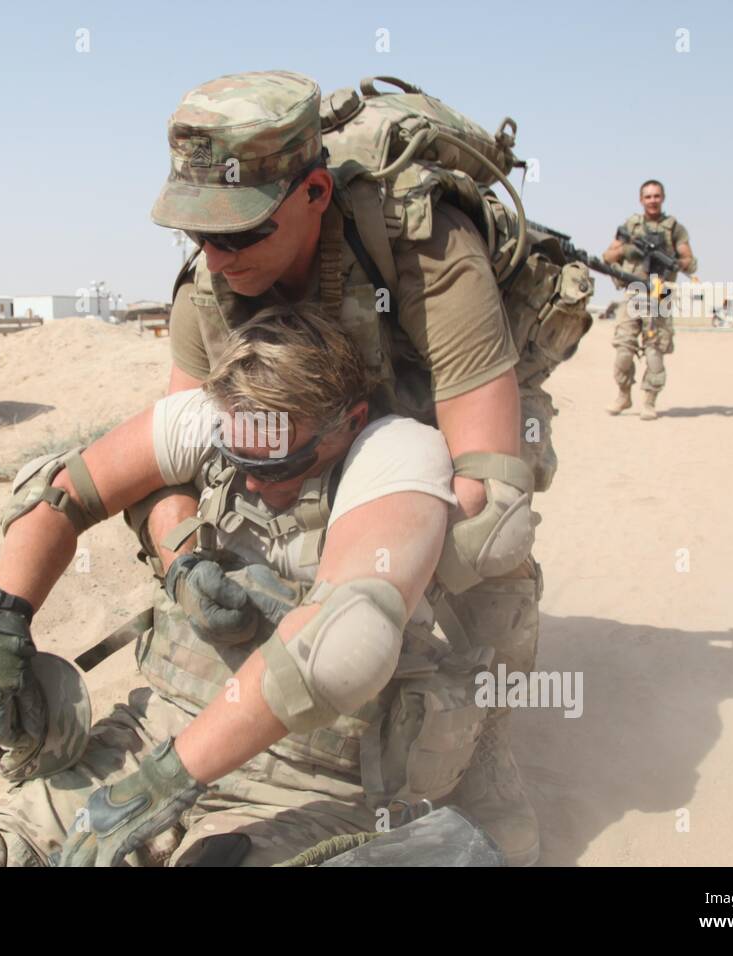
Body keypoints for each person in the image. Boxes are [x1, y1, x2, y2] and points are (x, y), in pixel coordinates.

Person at [0, 305, 492, 867]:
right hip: (154, 734)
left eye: (278, 464)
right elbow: (56, 495)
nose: (253, 485)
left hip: (307, 785)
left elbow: (344, 644)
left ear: (348, 424)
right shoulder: (216, 417)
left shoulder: (395, 453)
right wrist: (1, 619)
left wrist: (167, 783)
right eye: (240, 460)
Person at [138, 71, 545, 864]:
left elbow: (486, 489)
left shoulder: (421, 246)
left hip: (427, 430)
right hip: (301, 452)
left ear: (315, 192)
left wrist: (352, 589)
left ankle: (480, 747)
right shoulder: (207, 289)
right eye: (199, 236)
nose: (215, 259)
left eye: (241, 233)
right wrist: (184, 556)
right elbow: (169, 467)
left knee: (486, 550)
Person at [602, 179, 697, 420]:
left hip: (660, 290)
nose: (652, 200)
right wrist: (626, 251)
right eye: (648, 196)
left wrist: (675, 262)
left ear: (662, 198)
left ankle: (649, 401)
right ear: (641, 200)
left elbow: (690, 261)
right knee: (623, 349)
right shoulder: (630, 228)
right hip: (635, 289)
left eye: (656, 196)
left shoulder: (674, 228)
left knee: (655, 351)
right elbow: (608, 255)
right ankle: (624, 395)